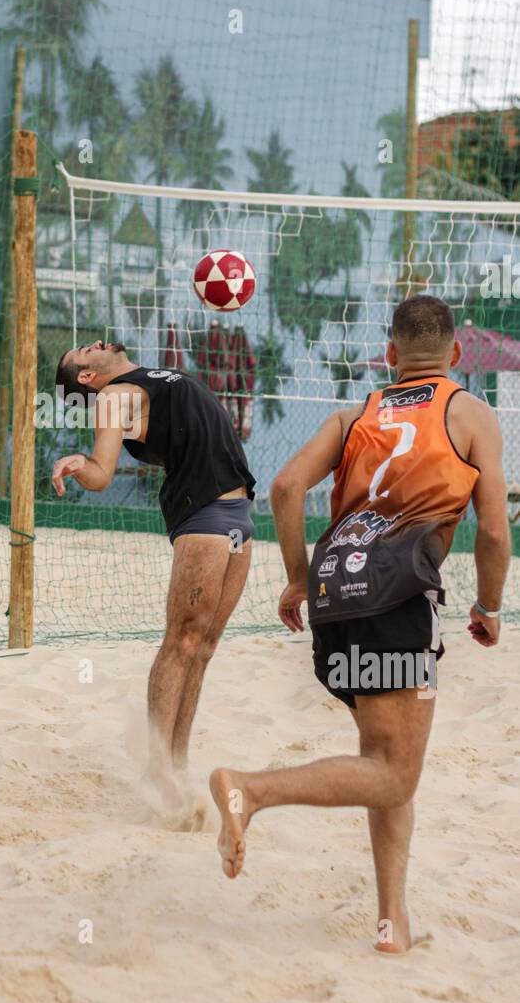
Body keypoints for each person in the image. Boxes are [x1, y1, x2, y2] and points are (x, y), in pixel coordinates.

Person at [209, 295, 511, 952]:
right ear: (456, 355)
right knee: (396, 771)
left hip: (333, 590)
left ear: (391, 356)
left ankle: (391, 920)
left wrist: (296, 577)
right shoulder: (470, 413)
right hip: (396, 594)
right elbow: (493, 528)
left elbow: (287, 488)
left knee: (387, 757)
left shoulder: (357, 414)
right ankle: (250, 791)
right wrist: (489, 607)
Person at [52, 340, 256, 820]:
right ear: (85, 376)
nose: (96, 342)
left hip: (238, 510)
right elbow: (103, 472)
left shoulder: (154, 376)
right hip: (201, 511)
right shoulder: (113, 396)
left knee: (204, 647)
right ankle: (157, 768)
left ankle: (177, 763)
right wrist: (80, 464)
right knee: (183, 640)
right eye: (84, 350)